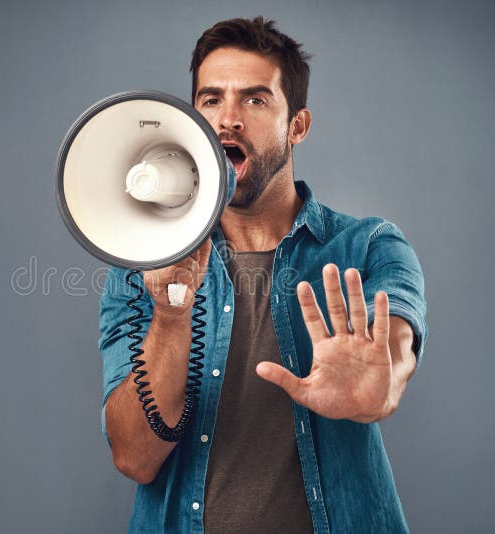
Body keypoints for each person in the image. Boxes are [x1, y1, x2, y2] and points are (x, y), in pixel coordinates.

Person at [98, 16, 427, 534]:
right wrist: (171, 315)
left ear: (298, 125)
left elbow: (396, 347)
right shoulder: (144, 265)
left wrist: (378, 388)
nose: (228, 120)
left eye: (254, 100)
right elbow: (134, 457)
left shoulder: (370, 246)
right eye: (211, 100)